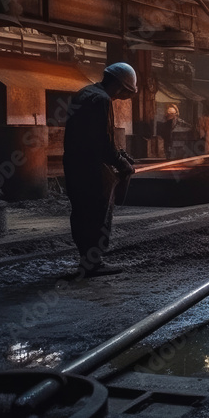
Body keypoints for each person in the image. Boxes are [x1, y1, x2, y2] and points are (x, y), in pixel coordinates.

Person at [63, 62, 137, 276]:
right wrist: (121, 163)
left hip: (74, 165)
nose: (120, 98)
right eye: (124, 93)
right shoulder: (102, 100)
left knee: (81, 213)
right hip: (92, 168)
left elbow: (92, 135)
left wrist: (119, 154)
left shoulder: (83, 94)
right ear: (121, 86)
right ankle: (93, 264)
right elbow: (101, 142)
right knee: (97, 214)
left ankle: (85, 259)